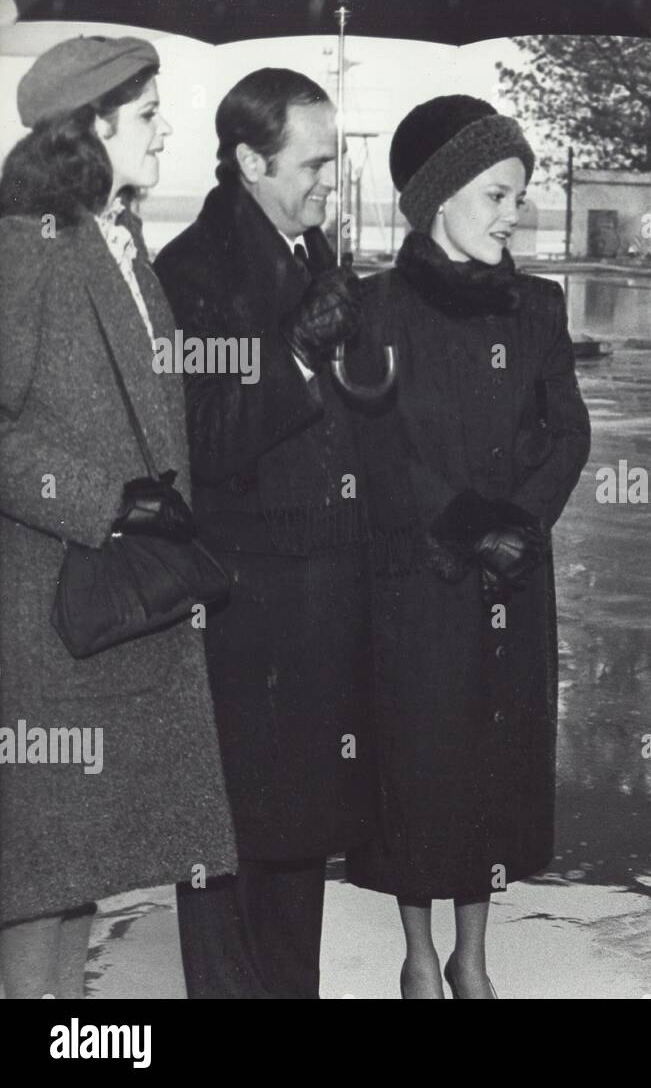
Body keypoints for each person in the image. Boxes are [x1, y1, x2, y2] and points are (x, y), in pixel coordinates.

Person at [0, 36, 237, 998]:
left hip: (118, 608)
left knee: (81, 875)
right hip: (53, 611)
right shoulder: (25, 250)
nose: (166, 128)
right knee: (39, 880)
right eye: (146, 116)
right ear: (89, 133)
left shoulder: (119, 240)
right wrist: (106, 501)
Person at [346, 96, 591, 998]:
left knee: (492, 763)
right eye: (494, 193)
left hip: (512, 577)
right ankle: (416, 952)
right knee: (418, 763)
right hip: (418, 576)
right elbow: (376, 445)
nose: (511, 213)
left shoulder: (538, 306)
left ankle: (474, 958)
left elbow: (568, 433)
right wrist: (460, 524)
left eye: (519, 196)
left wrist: (519, 527)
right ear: (437, 196)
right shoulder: (375, 309)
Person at [152, 69, 375, 998]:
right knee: (228, 841)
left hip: (319, 595)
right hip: (243, 604)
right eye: (314, 161)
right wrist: (294, 355)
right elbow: (197, 440)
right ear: (250, 158)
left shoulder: (311, 247)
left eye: (335, 158)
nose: (331, 178)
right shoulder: (192, 270)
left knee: (296, 839)